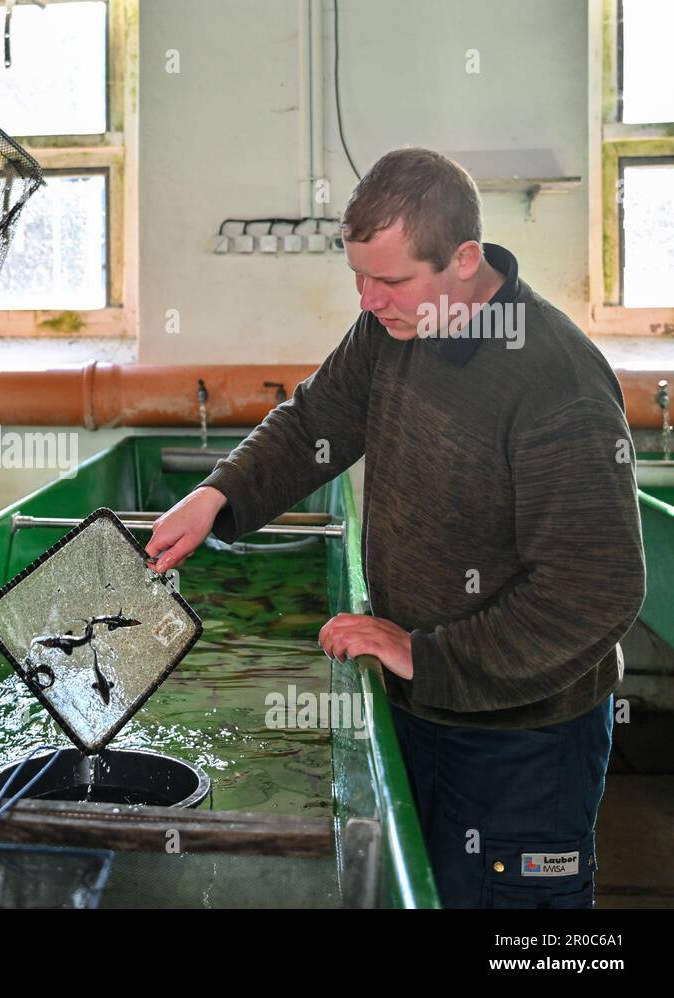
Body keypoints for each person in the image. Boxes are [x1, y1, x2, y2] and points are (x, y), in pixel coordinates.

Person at [145, 148, 645, 908]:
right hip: (421, 706)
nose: (368, 299)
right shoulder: (394, 327)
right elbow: (316, 420)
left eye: (390, 280)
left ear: (466, 259)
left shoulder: (556, 384)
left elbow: (598, 589)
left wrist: (425, 653)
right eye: (358, 276)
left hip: (524, 744)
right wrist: (219, 497)